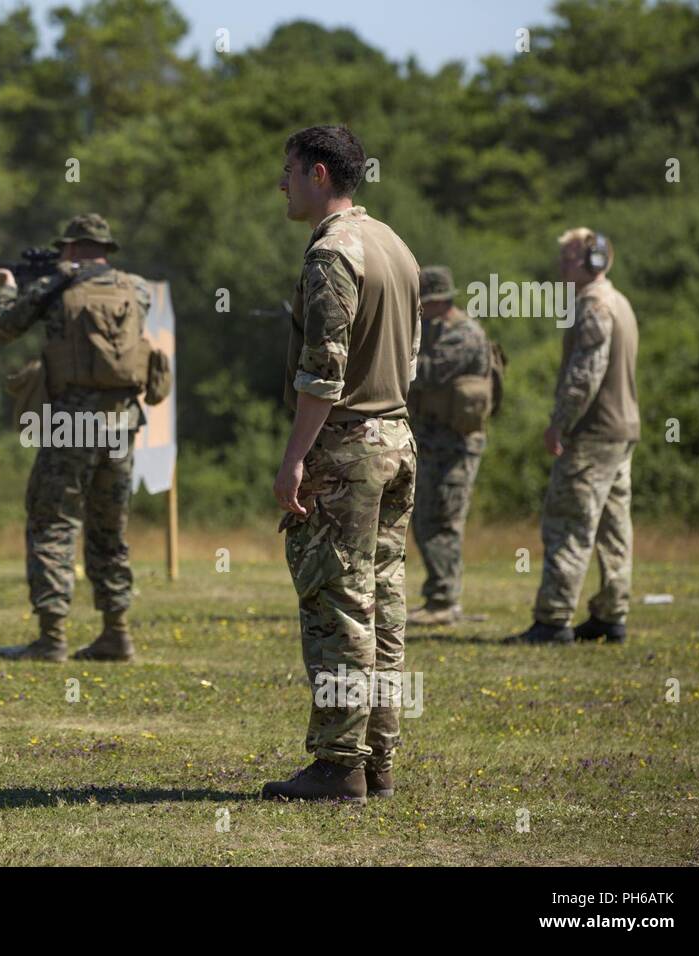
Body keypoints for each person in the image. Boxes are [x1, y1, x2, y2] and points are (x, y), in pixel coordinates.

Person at [261, 125, 420, 804]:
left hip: (349, 445)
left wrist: (296, 457)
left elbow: (322, 372)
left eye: (290, 170)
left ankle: (338, 766)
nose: (283, 182)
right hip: (397, 436)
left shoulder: (333, 252)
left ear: (319, 174)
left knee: (339, 606)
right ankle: (377, 761)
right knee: (383, 605)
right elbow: (410, 358)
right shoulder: (396, 245)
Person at [0, 213, 152, 663]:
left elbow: (0, 328)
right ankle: (116, 633)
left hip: (70, 424)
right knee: (109, 529)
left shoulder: (55, 289)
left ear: (72, 248)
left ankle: (51, 638)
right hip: (122, 424)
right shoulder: (137, 289)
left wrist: (9, 285)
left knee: (53, 523)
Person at [508, 229, 638, 645]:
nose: (561, 267)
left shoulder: (594, 306)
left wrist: (559, 423)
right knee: (613, 526)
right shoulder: (618, 301)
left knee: (568, 522)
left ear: (594, 262)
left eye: (569, 259)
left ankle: (554, 619)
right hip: (619, 432)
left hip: (592, 435)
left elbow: (585, 376)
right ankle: (611, 613)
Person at [407, 265, 493, 626]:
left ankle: (444, 602)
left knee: (443, 519)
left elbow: (429, 372)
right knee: (425, 519)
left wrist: (391, 355)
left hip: (455, 446)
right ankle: (439, 597)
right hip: (433, 443)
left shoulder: (465, 334)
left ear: (438, 300)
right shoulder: (436, 329)